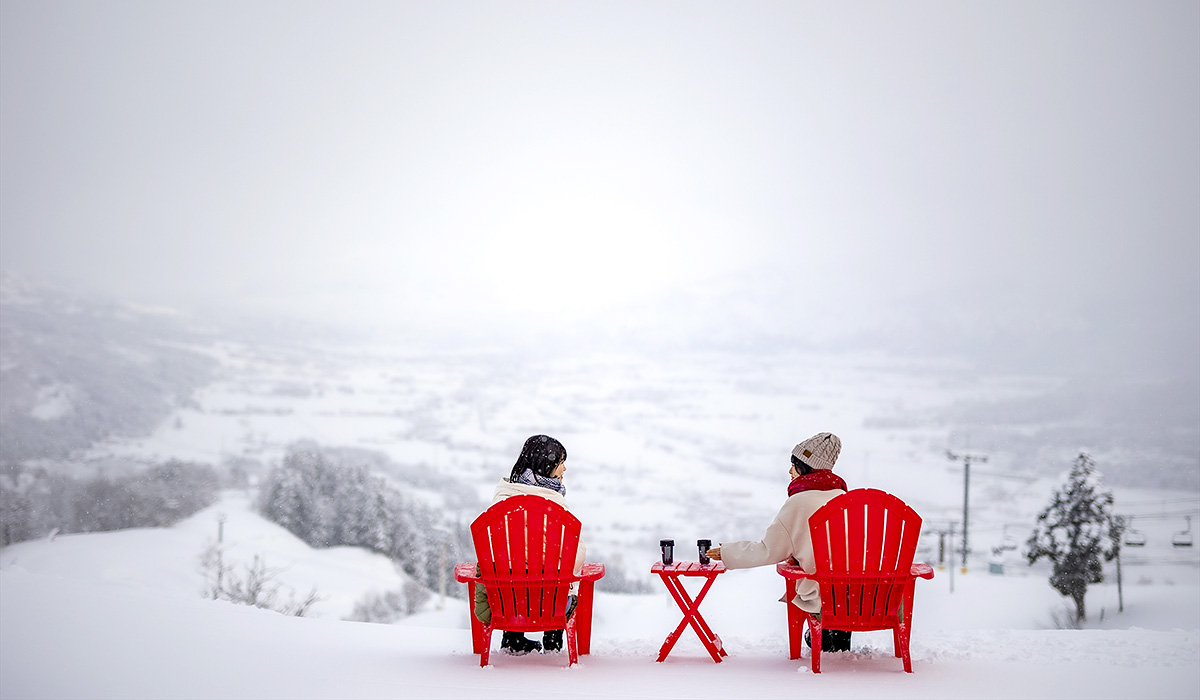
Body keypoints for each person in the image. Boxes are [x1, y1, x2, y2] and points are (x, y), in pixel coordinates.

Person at [706, 431, 852, 652]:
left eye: (795, 465)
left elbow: (768, 550)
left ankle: (827, 636)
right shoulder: (845, 498)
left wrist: (727, 552)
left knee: (818, 588)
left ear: (808, 468)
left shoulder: (799, 502)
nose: (790, 471)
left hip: (826, 597)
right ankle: (840, 640)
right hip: (862, 595)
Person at [474, 434, 585, 656]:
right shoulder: (554, 504)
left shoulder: (502, 496)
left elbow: (492, 555)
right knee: (559, 583)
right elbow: (576, 557)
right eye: (560, 462)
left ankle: (513, 641)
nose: (564, 469)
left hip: (504, 604)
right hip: (550, 606)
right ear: (545, 465)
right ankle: (552, 643)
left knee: (515, 580)